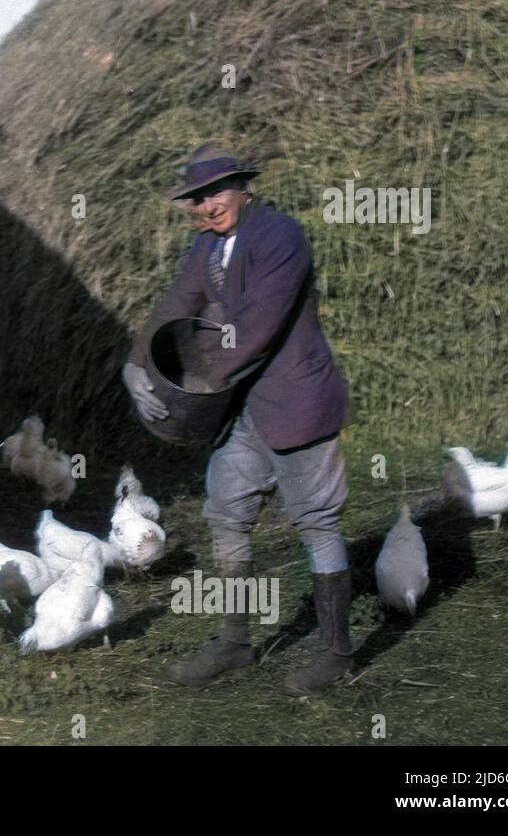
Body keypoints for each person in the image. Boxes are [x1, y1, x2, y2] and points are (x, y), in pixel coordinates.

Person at [122, 142, 353, 695]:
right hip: (240, 407)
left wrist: (199, 382)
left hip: (295, 400)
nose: (205, 207)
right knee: (226, 516)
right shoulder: (206, 248)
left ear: (245, 187)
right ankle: (235, 642)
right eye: (195, 199)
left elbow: (258, 328)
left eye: (215, 193)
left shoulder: (280, 237)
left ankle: (337, 654)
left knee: (316, 523)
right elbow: (175, 305)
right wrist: (136, 365)